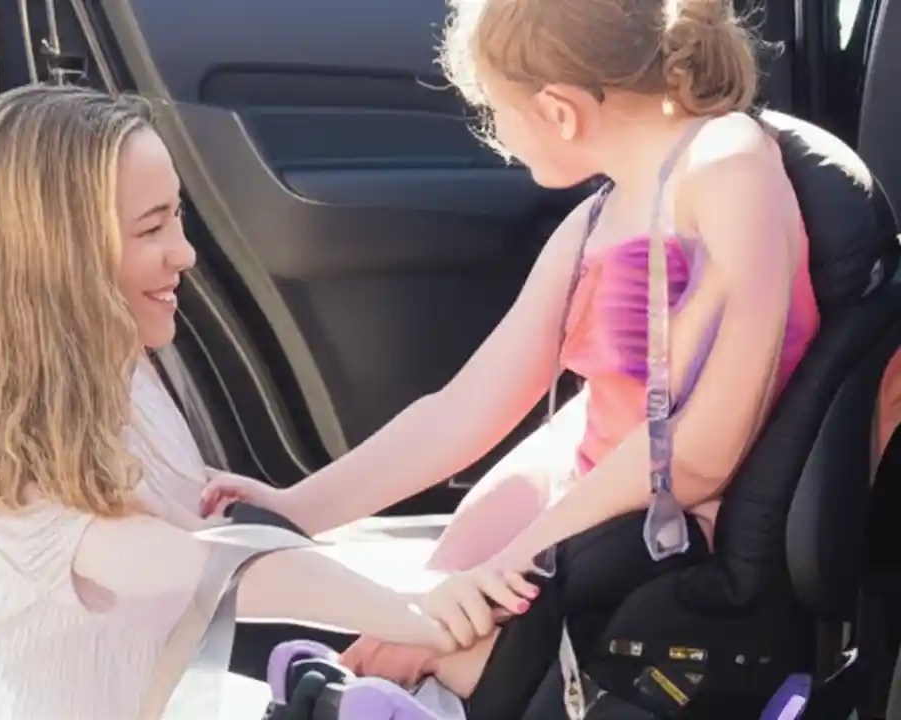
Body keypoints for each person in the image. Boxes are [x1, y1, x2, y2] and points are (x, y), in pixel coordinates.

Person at [201, 0, 821, 710]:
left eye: (495, 112)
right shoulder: (596, 219)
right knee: (392, 644)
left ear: (559, 110)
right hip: (596, 509)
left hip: (679, 540)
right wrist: (291, 510)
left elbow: (698, 452)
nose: (496, 136)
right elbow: (465, 409)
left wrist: (504, 569)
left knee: (417, 650)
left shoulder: (728, 163)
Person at [0, 85, 541, 720]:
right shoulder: (3, 460)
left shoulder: (122, 376)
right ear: (63, 257)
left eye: (179, 215)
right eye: (151, 228)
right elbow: (201, 572)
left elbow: (209, 551)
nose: (184, 253)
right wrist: (416, 612)